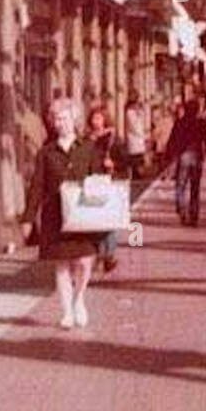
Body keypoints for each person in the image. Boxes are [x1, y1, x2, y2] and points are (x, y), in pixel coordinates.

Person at [19, 98, 106, 329]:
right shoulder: (46, 153)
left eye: (65, 118)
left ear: (74, 120)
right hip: (56, 214)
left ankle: (79, 299)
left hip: (83, 214)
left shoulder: (88, 148)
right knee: (62, 265)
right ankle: (67, 311)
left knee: (85, 261)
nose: (61, 123)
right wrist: (28, 218)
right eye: (56, 119)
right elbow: (36, 186)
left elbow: (97, 179)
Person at [85, 102, 122, 274]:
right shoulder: (87, 139)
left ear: (105, 120)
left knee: (110, 220)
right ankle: (100, 254)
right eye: (93, 118)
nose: (96, 121)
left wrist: (114, 163)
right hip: (93, 181)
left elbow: (124, 157)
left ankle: (110, 254)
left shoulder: (112, 138)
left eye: (99, 118)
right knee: (96, 220)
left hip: (110, 181)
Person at [164, 95, 206, 226]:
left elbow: (172, 141)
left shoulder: (179, 122)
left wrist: (168, 157)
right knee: (195, 188)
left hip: (183, 155)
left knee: (180, 185)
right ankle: (194, 214)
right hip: (197, 156)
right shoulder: (201, 123)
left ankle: (182, 209)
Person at [122, 93, 148, 179]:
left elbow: (142, 123)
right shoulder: (129, 113)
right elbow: (135, 127)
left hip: (139, 141)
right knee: (135, 160)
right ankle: (135, 174)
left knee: (139, 158)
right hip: (134, 141)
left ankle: (138, 174)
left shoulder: (137, 113)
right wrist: (143, 135)